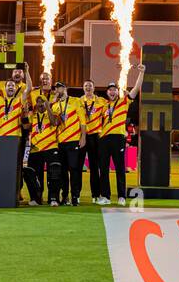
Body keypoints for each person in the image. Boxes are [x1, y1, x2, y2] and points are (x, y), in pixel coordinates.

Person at [96, 64, 145, 206]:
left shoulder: (124, 102)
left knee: (120, 168)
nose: (112, 92)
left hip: (118, 138)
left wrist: (141, 73)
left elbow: (135, 90)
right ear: (107, 92)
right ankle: (105, 196)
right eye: (110, 90)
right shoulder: (103, 105)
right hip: (104, 139)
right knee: (103, 169)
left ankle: (122, 197)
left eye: (114, 90)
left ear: (118, 92)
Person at [25, 84, 63, 206]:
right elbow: (26, 127)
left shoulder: (53, 113)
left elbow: (54, 123)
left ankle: (53, 198)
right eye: (39, 102)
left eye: (43, 102)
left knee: (54, 172)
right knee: (31, 173)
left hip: (51, 147)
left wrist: (49, 108)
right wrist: (24, 114)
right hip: (35, 149)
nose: (41, 104)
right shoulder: (33, 116)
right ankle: (36, 198)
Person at [51, 82, 86, 206]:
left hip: (73, 140)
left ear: (65, 88)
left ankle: (75, 196)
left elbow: (83, 121)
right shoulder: (55, 106)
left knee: (74, 169)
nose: (58, 90)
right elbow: (54, 123)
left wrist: (83, 137)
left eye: (59, 87)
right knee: (63, 171)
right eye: (56, 88)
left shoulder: (76, 101)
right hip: (61, 142)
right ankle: (64, 196)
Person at [78, 80, 105, 201]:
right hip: (82, 135)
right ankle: (76, 194)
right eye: (86, 86)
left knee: (94, 167)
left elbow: (112, 108)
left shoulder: (101, 101)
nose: (88, 87)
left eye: (90, 86)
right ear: (83, 88)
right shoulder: (78, 101)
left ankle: (96, 195)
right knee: (78, 166)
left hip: (95, 136)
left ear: (94, 88)